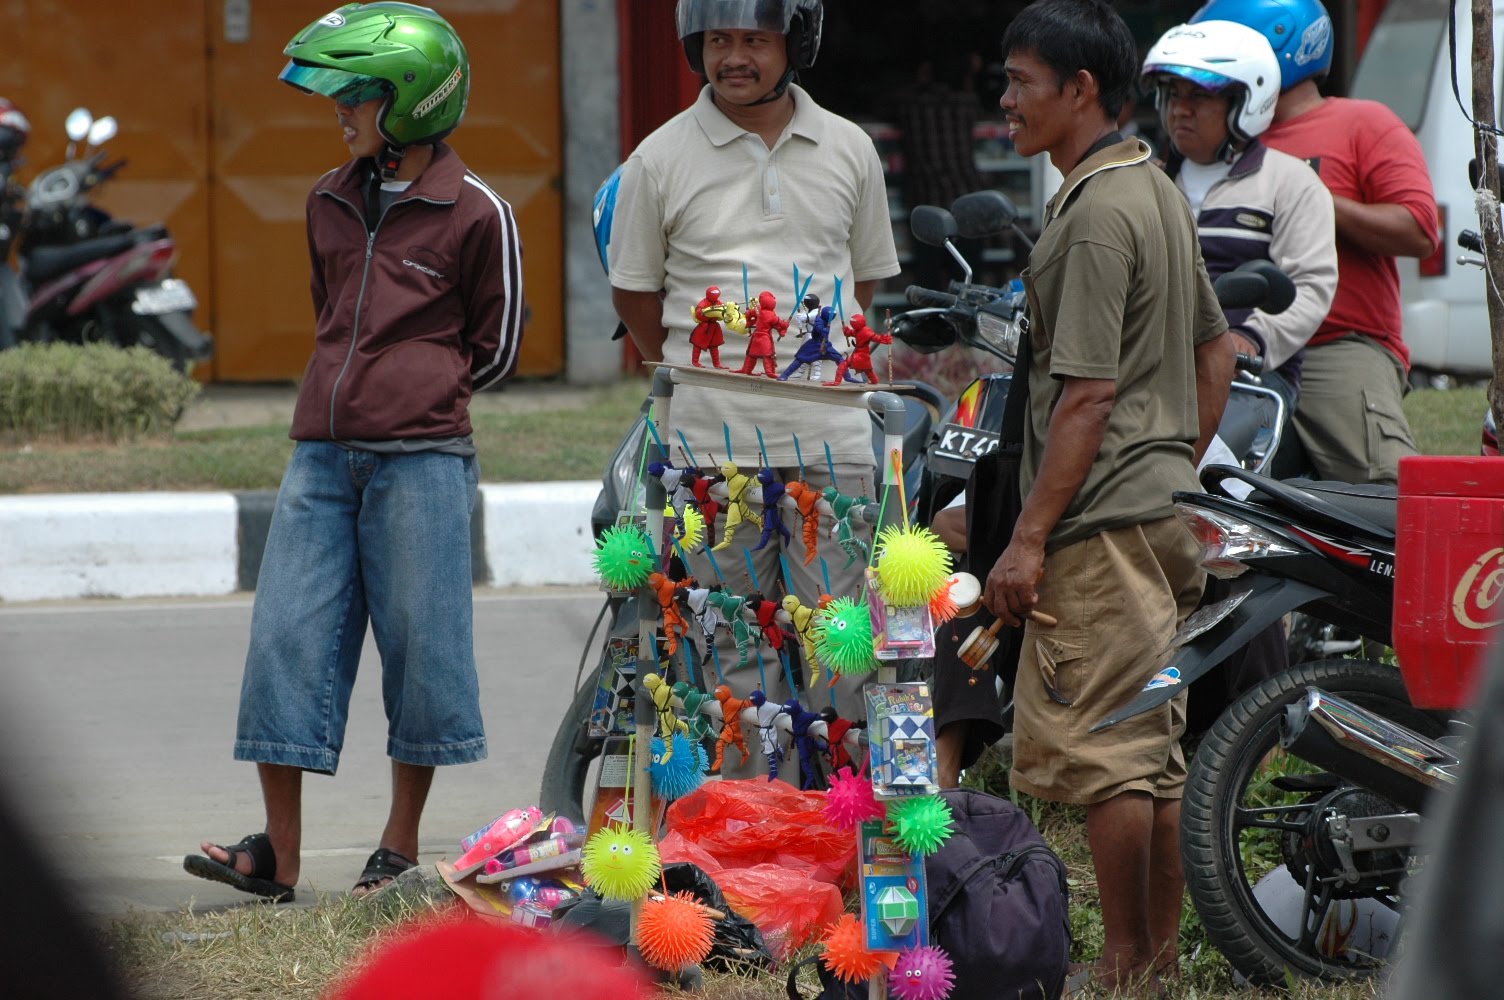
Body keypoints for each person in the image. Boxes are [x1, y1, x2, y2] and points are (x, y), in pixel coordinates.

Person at [185, 1, 524, 902]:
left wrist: (418, 394)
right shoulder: (327, 198)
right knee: (284, 645)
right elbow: (330, 312)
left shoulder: (477, 213)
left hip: (422, 462)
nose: (339, 112)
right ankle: (280, 859)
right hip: (320, 460)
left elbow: (495, 346)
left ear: (411, 102)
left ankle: (398, 848)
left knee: (424, 653)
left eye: (355, 95)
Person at [982, 0, 1234, 991]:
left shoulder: (1094, 216)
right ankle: (1152, 963)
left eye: (1019, 82)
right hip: (1161, 515)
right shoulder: (1154, 188)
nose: (1004, 102)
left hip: (1103, 527)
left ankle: (1127, 964)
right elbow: (1214, 351)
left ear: (1080, 90)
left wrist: (1026, 538)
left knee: (1109, 755)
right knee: (1150, 748)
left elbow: (1085, 394)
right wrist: (1172, 457)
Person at [608, 0, 900, 777]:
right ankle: (754, 850)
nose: (734, 57)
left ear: (795, 43)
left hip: (833, 445)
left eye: (754, 40)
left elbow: (864, 283)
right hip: (710, 454)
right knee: (736, 657)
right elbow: (636, 298)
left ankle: (840, 836)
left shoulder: (849, 148)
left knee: (841, 649)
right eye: (719, 40)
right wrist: (713, 385)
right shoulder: (658, 158)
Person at [1191, 0, 1439, 485]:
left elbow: (1419, 229)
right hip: (1222, 338)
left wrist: (1312, 196)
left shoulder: (1363, 122)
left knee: (1384, 492)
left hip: (1334, 344)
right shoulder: (1217, 138)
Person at [1143, 18, 1336, 407]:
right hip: (1149, 370)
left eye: (1198, 96)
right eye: (1173, 94)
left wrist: (1248, 339)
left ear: (1244, 102)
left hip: (1249, 379)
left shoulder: (1291, 181)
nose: (1180, 109)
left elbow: (1310, 286)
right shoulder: (1146, 182)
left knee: (1368, 462)